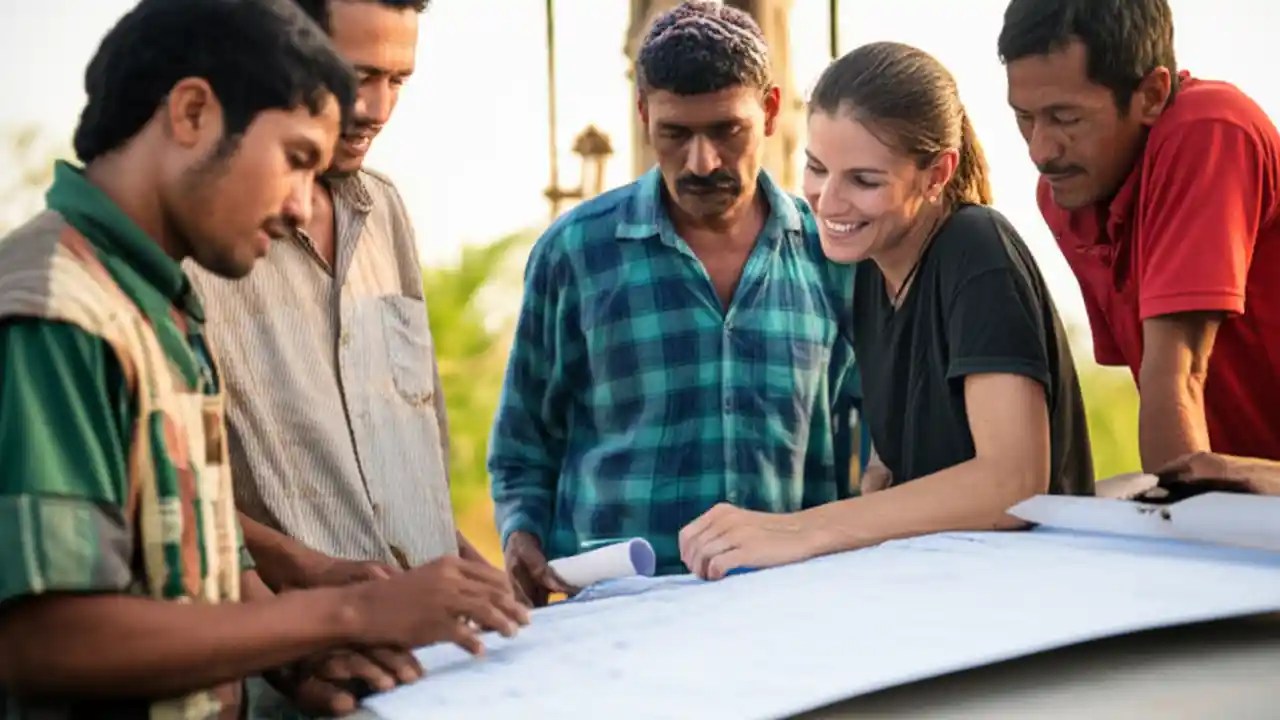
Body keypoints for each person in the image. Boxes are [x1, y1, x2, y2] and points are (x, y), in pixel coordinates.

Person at [0, 1, 526, 717]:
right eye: (296, 160)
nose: (298, 207)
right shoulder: (57, 312)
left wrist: (299, 658)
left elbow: (207, 546)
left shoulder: (159, 305)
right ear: (191, 114)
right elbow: (41, 644)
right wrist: (353, 614)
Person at [680, 42, 1095, 580]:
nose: (827, 201)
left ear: (936, 174)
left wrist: (797, 529)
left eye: (864, 180)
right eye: (817, 168)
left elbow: (1013, 483)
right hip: (943, 594)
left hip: (1039, 602)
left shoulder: (977, 248)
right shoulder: (870, 275)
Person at [489, 0, 859, 604]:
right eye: (676, 134)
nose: (702, 161)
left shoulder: (831, 256)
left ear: (768, 110)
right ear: (643, 116)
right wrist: (519, 533)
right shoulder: (576, 252)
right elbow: (523, 442)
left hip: (789, 606)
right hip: (615, 615)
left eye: (725, 131)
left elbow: (868, 442)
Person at [187, 0, 491, 593]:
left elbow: (409, 470)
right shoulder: (198, 238)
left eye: (397, 80)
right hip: (294, 664)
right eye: (358, 78)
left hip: (432, 647)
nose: (377, 109)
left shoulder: (386, 213)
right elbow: (167, 487)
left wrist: (472, 575)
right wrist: (304, 586)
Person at [999, 0, 1280, 471]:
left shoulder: (1210, 128)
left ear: (1151, 94)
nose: (1041, 151)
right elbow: (1153, 386)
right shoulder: (1067, 192)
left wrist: (1186, 520)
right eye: (1024, 118)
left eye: (1066, 118)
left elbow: (1178, 371)